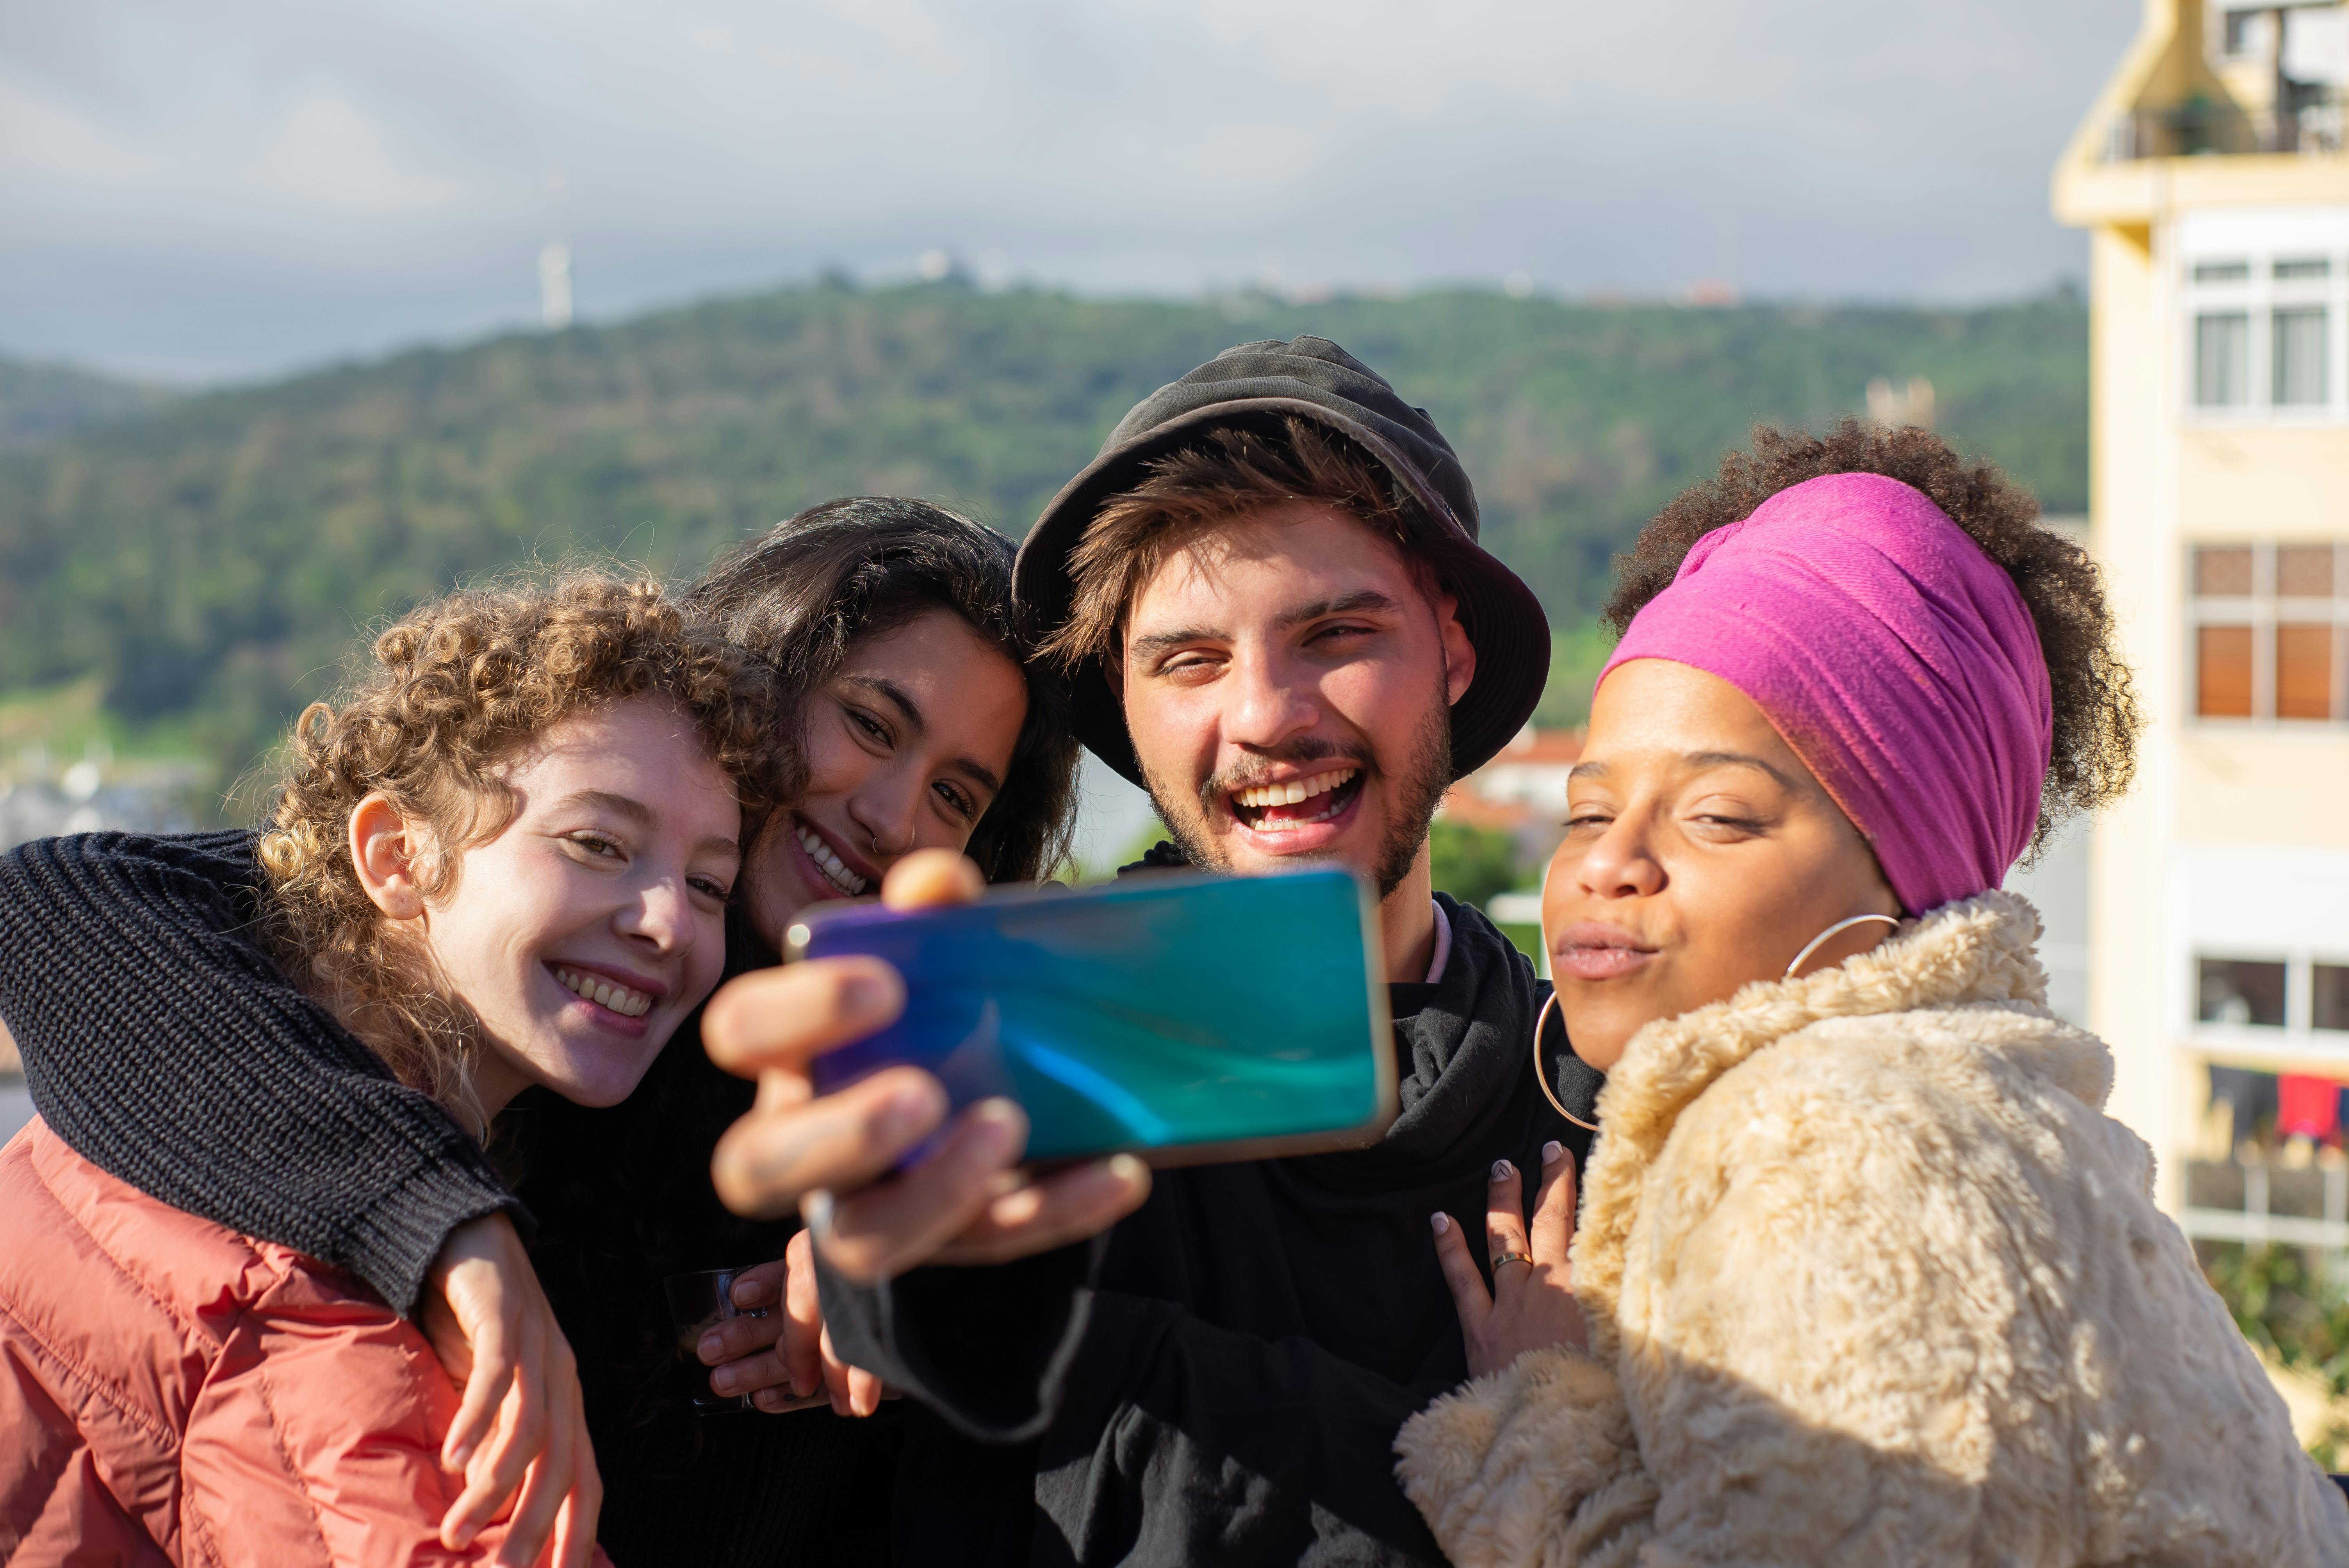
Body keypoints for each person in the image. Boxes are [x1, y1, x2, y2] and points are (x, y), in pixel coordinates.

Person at [0, 500, 1143, 1565]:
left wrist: (906, 1316)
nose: (894, 817)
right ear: (756, 684)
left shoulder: (922, 1074)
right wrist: (445, 1224)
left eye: (955, 797)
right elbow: (69, 900)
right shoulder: (513, 964)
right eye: (869, 724)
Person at [707, 336, 1605, 1564]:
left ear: (1452, 651)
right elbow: (964, 1312)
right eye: (1189, 660)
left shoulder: (1604, 1096)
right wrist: (901, 1245)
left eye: (1337, 633)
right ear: (1124, 710)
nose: (1266, 715)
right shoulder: (1041, 1044)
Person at [1389, 427, 2349, 1563]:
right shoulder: (2000, 1108)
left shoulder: (1831, 1142)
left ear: (1907, 872)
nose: (1608, 863)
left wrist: (1534, 1409)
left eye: (1717, 816)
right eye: (1588, 812)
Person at [1, 572, 784, 1565]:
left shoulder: (144, 1083)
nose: (668, 920)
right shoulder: (338, 1322)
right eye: (597, 843)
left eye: (708, 883)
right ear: (395, 856)